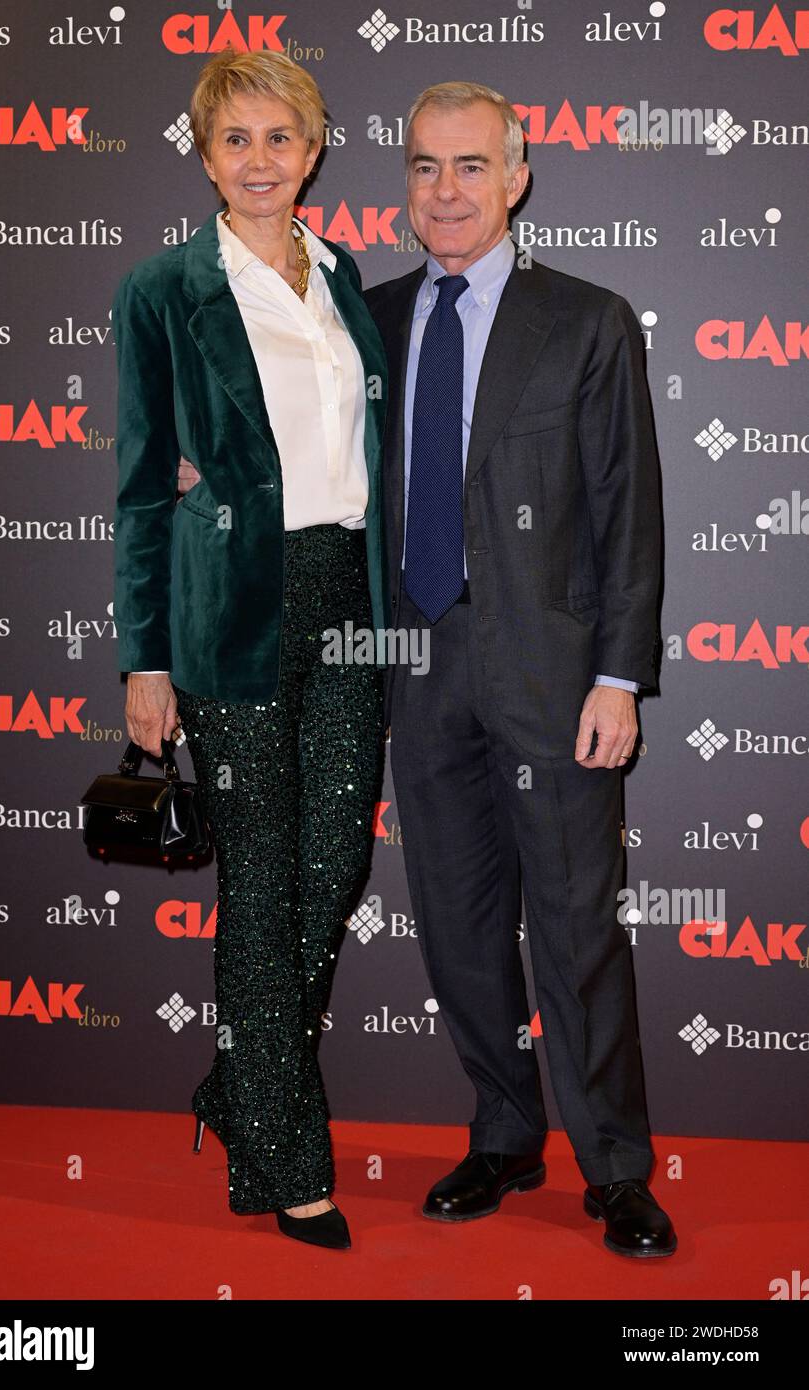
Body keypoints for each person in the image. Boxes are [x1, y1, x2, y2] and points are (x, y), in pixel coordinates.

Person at [364, 81, 674, 1258]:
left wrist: (616, 677)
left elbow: (626, 512)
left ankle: (614, 1168)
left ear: (516, 175)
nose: (444, 191)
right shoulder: (372, 319)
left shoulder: (587, 320)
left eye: (468, 166)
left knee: (574, 928)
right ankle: (501, 1133)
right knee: (454, 922)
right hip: (414, 665)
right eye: (422, 167)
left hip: (553, 676)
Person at [111, 49, 389, 1250]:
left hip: (348, 596)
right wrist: (144, 655)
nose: (261, 161)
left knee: (329, 874)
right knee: (263, 883)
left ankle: (238, 1087)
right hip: (229, 605)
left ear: (314, 151)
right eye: (236, 140)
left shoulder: (344, 278)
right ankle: (284, 1161)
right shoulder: (164, 289)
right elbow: (137, 489)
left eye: (281, 138)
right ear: (204, 153)